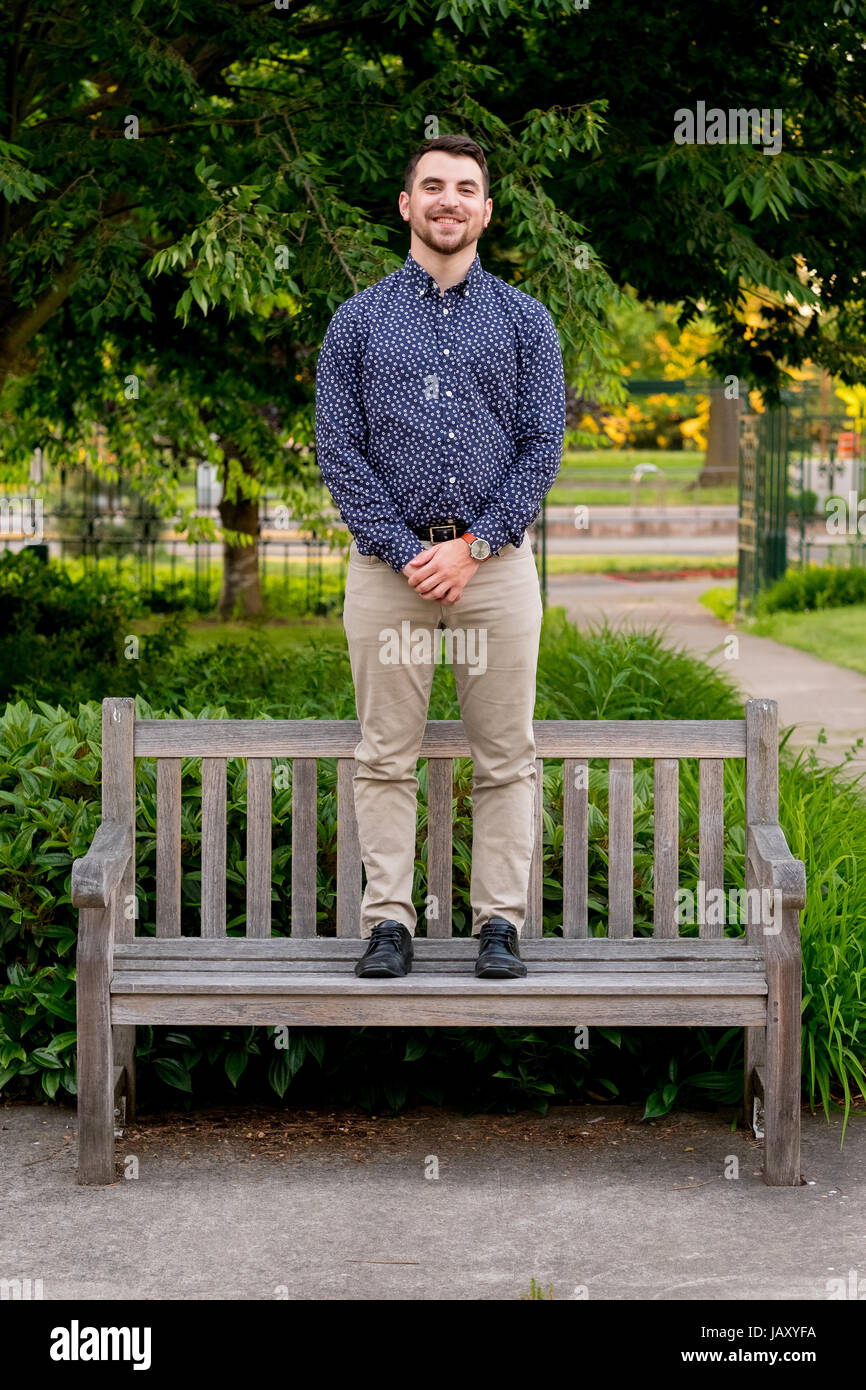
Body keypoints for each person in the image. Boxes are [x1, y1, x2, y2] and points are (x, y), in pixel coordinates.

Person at [315, 133, 565, 979]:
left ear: (486, 209)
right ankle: (389, 923)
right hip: (388, 575)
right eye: (433, 186)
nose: (449, 200)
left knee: (506, 755)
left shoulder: (526, 321)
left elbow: (542, 447)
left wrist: (475, 546)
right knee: (385, 755)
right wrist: (406, 552)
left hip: (495, 573)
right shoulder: (357, 322)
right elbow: (338, 449)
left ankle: (499, 923)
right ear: (406, 205)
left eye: (465, 187)